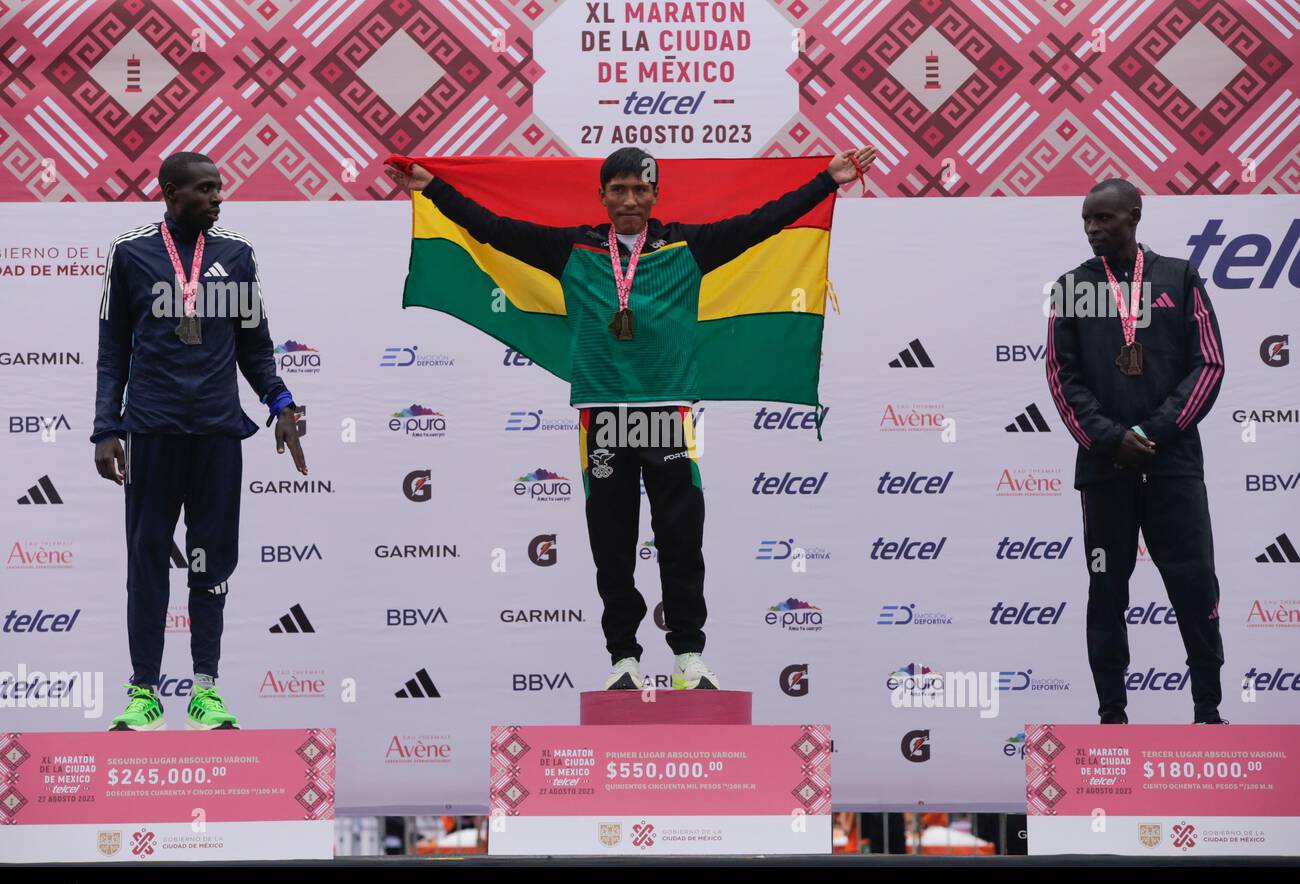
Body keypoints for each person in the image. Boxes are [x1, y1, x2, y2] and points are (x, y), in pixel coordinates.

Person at [386, 145, 874, 690]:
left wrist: (826, 182)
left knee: (681, 538)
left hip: (667, 414)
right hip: (602, 419)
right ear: (601, 196)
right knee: (612, 544)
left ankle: (688, 655)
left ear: (655, 195)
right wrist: (433, 189)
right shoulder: (572, 249)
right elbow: (493, 229)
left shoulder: (689, 246)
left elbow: (764, 223)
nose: (630, 199)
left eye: (641, 189)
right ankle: (624, 658)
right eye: (618, 189)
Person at [92, 150, 307, 730]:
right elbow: (112, 348)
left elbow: (255, 345)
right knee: (147, 562)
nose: (217, 198)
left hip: (216, 432)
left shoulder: (237, 255)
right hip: (152, 430)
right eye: (206, 189)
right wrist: (105, 426)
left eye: (219, 188)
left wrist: (281, 402)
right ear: (170, 193)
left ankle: (205, 689)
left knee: (210, 563)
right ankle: (143, 692)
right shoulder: (131, 253)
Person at [1045, 178, 1226, 725]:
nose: (1093, 230)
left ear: (1134, 215)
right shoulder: (1070, 287)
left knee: (1195, 587)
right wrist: (1109, 438)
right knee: (1106, 592)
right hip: (1105, 473)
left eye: (1103, 219)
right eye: (1086, 221)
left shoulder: (1180, 277)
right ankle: (1111, 717)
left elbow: (1209, 364)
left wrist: (1153, 433)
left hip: (1172, 469)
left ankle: (1208, 712)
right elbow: (1060, 376)